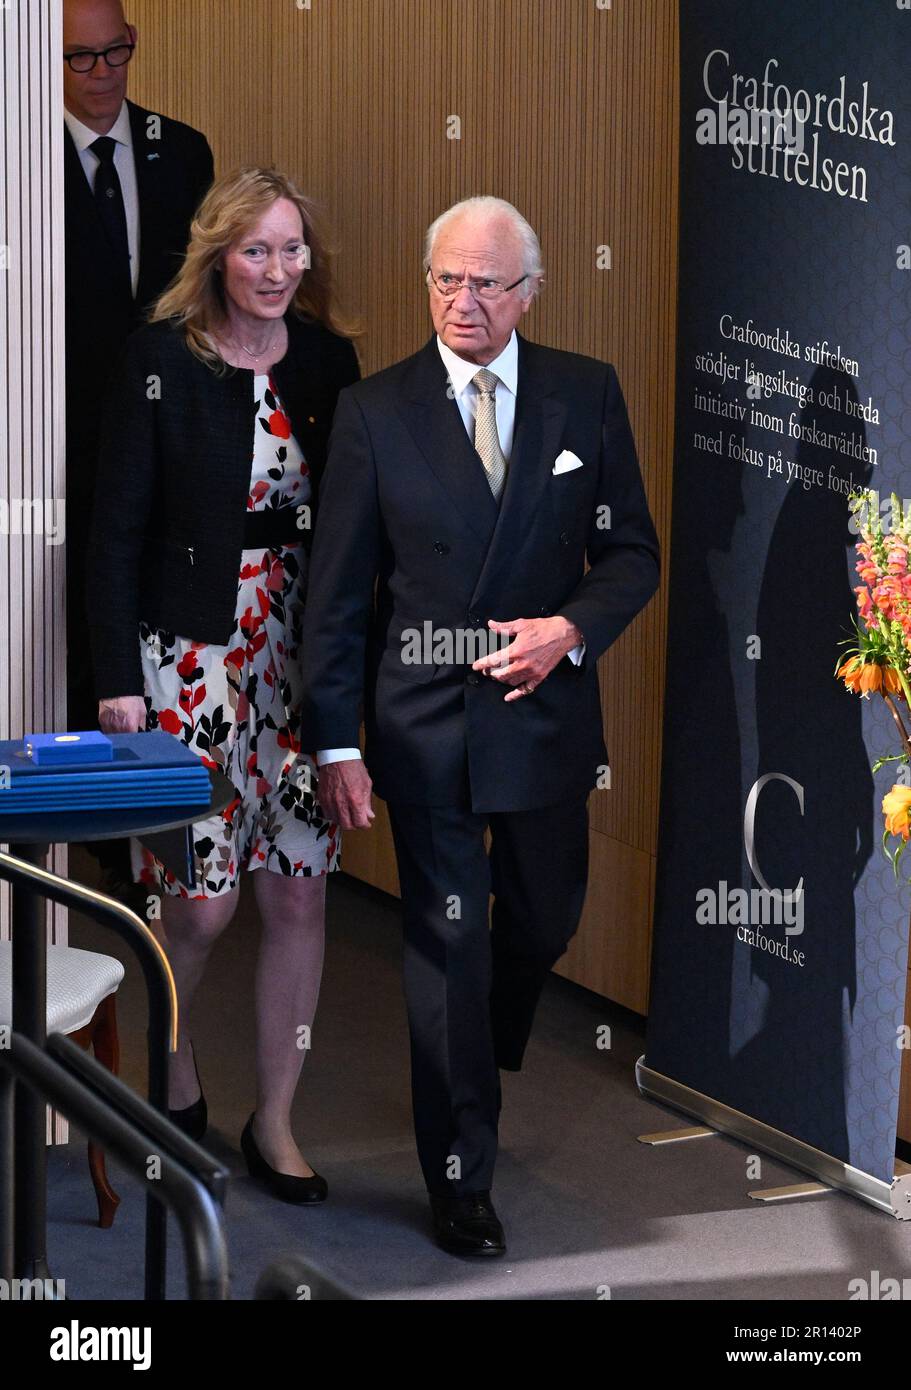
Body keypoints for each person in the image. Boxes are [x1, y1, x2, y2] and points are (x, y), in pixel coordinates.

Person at [300, 196, 660, 1253]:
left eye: (486, 283)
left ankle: (489, 1035)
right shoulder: (374, 413)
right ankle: (460, 1174)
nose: (463, 300)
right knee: (445, 948)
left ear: (529, 293)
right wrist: (336, 740)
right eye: (446, 279)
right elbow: (337, 597)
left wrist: (569, 629)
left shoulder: (583, 395)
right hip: (425, 727)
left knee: (541, 921)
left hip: (544, 718)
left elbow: (631, 551)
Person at [87, 167, 360, 1202]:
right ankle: (170, 1054)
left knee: (295, 890)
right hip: (187, 659)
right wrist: (117, 678)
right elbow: (113, 532)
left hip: (299, 659)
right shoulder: (160, 360)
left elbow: (357, 522)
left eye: (292, 250)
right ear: (216, 256)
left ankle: (276, 1121)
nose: (277, 270)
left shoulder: (330, 363)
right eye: (256, 251)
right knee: (197, 907)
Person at [63, 0, 214, 893]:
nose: (106, 72)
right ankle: (85, 844)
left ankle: (148, 821)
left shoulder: (179, 150)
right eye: (83, 59)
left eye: (118, 50)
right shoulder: (18, 159)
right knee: (80, 619)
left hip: (160, 425)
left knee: (147, 601)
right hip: (55, 433)